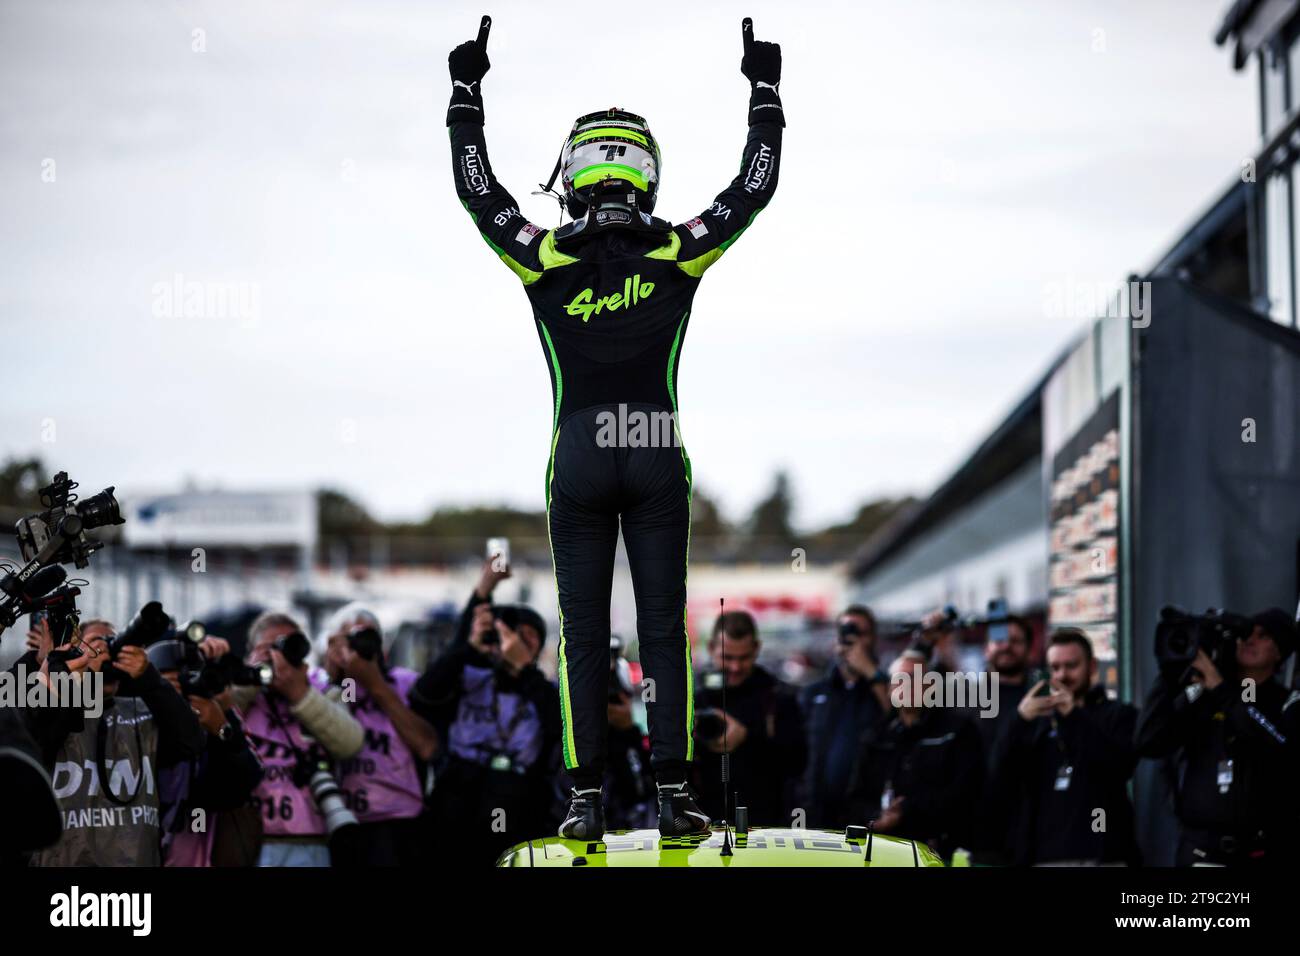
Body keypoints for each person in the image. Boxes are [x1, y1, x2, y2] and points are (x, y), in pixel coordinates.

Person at [445, 15, 784, 839]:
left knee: (582, 636)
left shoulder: (542, 255)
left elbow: (477, 189)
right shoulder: (677, 251)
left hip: (580, 456)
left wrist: (465, 94)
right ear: (646, 175)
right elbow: (754, 188)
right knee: (663, 630)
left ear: (577, 173)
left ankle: (585, 802)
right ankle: (674, 795)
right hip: (658, 451)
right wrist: (765, 94)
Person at [410, 572, 560, 865]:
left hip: (515, 804)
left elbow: (560, 728)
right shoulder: (470, 675)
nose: (519, 642)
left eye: (530, 637)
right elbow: (422, 696)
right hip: (457, 798)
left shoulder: (546, 690)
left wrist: (524, 669)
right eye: (514, 633)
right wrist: (470, 647)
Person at [29, 618, 205, 866]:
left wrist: (149, 678)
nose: (105, 654)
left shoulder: (144, 713)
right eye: (93, 645)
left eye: (112, 645)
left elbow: (192, 741)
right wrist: (79, 680)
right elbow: (38, 737)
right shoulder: (57, 710)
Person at [1135, 607, 1300, 865]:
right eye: (1246, 633)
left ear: (1280, 652)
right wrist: (1168, 676)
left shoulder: (1286, 701)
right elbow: (1148, 740)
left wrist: (1221, 688)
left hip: (1261, 852)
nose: (1249, 640)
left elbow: (1276, 743)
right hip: (1199, 851)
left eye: (1263, 636)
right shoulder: (1202, 695)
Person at [235, 611, 365, 867]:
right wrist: (248, 681)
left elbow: (351, 743)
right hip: (248, 839)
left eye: (286, 647)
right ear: (251, 652)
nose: (278, 658)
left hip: (311, 840)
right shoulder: (235, 694)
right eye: (268, 649)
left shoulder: (324, 693)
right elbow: (212, 730)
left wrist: (300, 694)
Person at [1000, 629, 1139, 865]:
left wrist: (1073, 715)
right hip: (1045, 855)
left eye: (1071, 666)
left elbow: (1117, 766)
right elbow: (1001, 777)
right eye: (1054, 668)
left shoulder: (1119, 715)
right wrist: (1019, 720)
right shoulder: (1038, 722)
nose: (1062, 675)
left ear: (1092, 666)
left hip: (1102, 854)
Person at [323, 604, 437, 866]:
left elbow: (427, 746)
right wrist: (333, 671)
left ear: (381, 647)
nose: (358, 647)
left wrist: (375, 685)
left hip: (399, 825)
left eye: (366, 638)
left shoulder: (405, 682)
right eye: (349, 639)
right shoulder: (321, 688)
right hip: (339, 821)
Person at [847, 654, 984, 860]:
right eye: (899, 680)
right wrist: (876, 818)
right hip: (883, 850)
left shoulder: (958, 731)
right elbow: (856, 796)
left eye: (914, 678)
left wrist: (907, 810)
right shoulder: (876, 736)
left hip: (939, 851)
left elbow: (966, 794)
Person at [148, 634, 264, 867]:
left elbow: (241, 785)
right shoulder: (128, 721)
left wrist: (222, 723)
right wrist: (159, 696)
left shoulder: (206, 722)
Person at [691, 610, 806, 827]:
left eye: (744, 658)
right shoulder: (693, 696)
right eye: (728, 657)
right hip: (705, 822)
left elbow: (799, 762)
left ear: (756, 649)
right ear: (711, 649)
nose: (735, 667)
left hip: (765, 822)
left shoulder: (777, 696)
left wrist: (749, 735)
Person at [800, 605, 891, 829]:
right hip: (815, 812)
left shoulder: (883, 688)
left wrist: (870, 671)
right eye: (846, 631)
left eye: (860, 633)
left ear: (872, 638)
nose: (852, 638)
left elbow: (897, 718)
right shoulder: (815, 692)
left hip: (865, 813)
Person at [973, 614, 1036, 864]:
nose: (1007, 646)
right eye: (999, 640)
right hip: (978, 830)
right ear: (986, 648)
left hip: (1030, 829)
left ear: (1030, 649)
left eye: (1016, 640)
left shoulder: (1042, 699)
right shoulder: (964, 700)